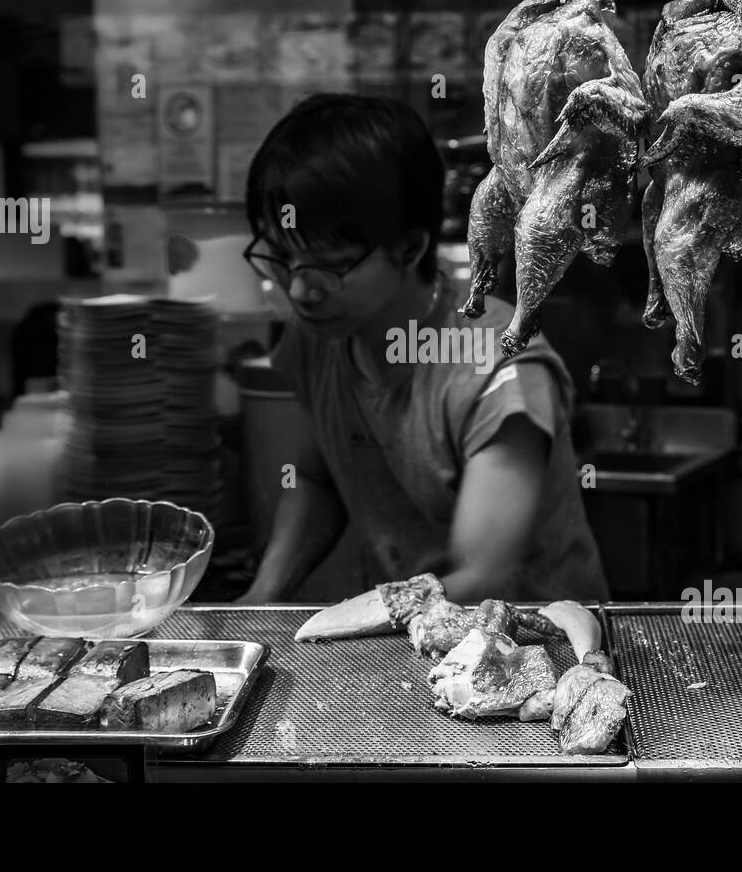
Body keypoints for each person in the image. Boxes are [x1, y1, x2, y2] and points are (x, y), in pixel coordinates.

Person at [235, 93, 608, 604]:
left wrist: (343, 620)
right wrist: (260, 600)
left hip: (538, 647)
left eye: (331, 264)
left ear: (410, 246)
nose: (300, 290)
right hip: (404, 647)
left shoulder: (495, 366)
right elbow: (317, 477)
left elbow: (481, 579)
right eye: (282, 260)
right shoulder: (320, 336)